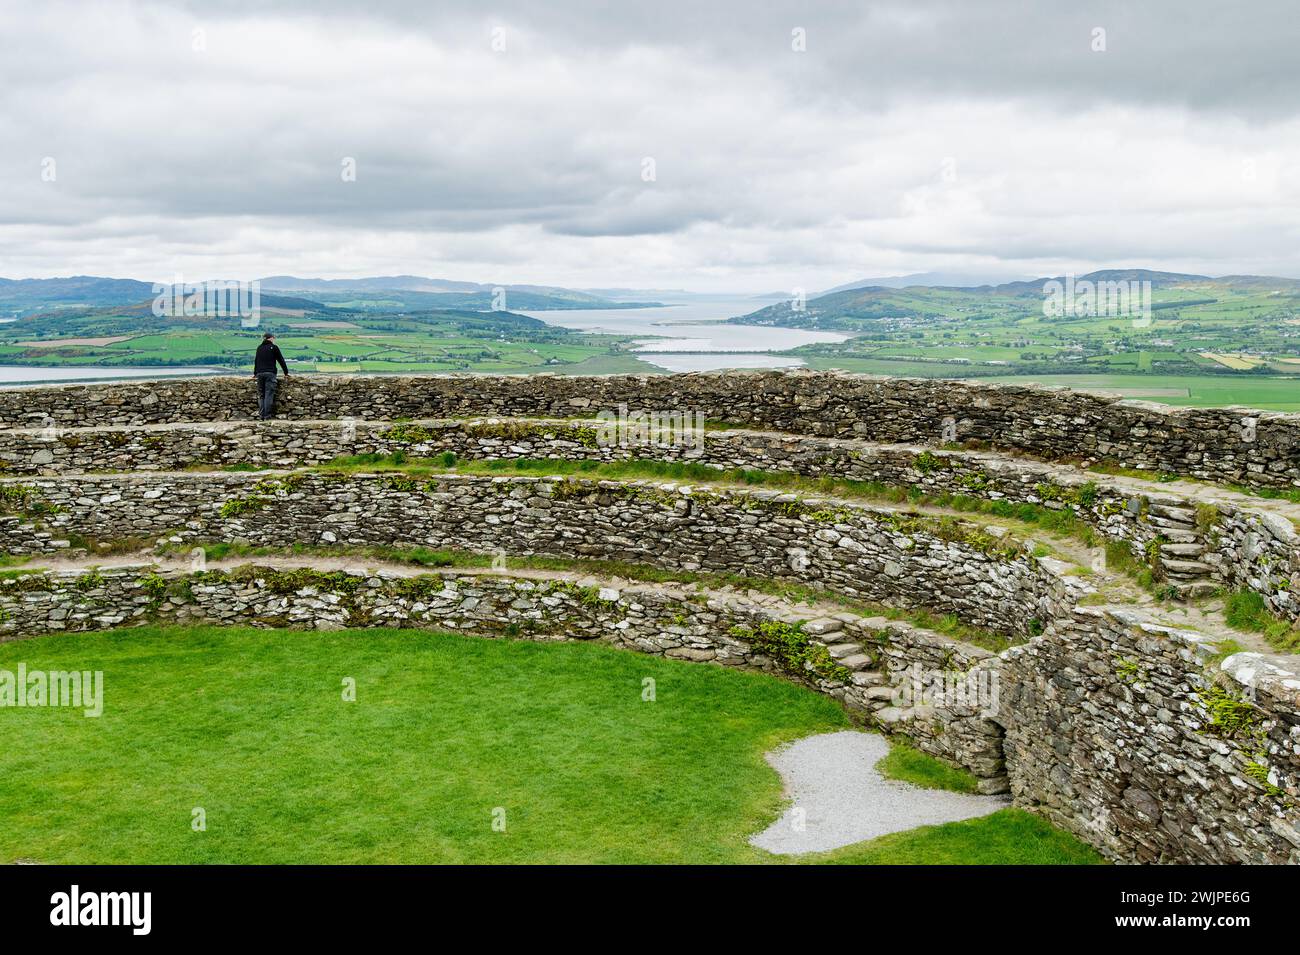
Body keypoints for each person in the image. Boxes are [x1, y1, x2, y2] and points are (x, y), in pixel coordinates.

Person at [253, 333, 289, 420]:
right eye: (273, 338)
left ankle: (261, 416)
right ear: (271, 338)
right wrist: (286, 372)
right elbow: (281, 360)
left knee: (261, 395)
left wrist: (255, 373)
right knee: (269, 394)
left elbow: (256, 361)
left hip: (260, 373)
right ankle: (267, 416)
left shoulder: (259, 348)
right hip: (270, 373)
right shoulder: (274, 347)